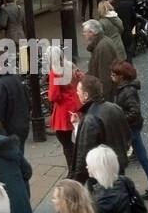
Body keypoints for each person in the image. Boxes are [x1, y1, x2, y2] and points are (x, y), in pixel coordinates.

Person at [110, 60, 148, 199]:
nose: (111, 76)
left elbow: (134, 112)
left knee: (120, 159)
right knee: (142, 158)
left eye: (114, 74)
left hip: (130, 129)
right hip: (132, 128)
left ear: (122, 76)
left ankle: (123, 192)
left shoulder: (127, 91)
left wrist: (119, 117)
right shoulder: (125, 88)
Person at [71, 74, 130, 183]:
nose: (77, 93)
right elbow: (126, 135)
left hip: (99, 175)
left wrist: (76, 181)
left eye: (78, 91)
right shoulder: (115, 108)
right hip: (118, 166)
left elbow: (83, 153)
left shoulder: (90, 118)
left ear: (85, 95)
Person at [48, 45, 82, 176]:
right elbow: (81, 78)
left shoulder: (55, 71)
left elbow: (54, 96)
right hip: (76, 104)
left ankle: (73, 170)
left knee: (66, 142)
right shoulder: (70, 66)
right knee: (76, 135)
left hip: (64, 109)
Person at [0, 69, 31, 152]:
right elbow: (28, 102)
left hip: (9, 131)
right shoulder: (17, 78)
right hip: (22, 127)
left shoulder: (0, 85)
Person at [82, 18, 121, 89]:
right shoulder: (100, 44)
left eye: (85, 32)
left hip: (106, 92)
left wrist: (103, 97)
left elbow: (105, 75)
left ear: (92, 33)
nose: (83, 34)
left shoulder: (103, 47)